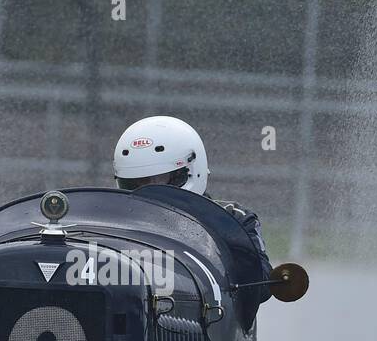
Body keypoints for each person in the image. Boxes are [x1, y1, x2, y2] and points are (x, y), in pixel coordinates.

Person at [111, 115, 270, 270]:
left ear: (190, 171)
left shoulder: (233, 219)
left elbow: (259, 282)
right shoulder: (112, 221)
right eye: (136, 183)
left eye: (159, 179)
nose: (149, 190)